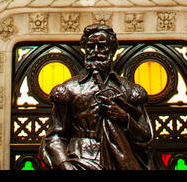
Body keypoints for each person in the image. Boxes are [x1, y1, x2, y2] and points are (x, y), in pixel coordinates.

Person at [41, 23, 153, 170]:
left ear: (112, 50)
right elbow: (55, 136)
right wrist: (64, 164)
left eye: (102, 46)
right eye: (90, 47)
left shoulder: (129, 90)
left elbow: (146, 137)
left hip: (121, 160)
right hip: (80, 160)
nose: (95, 51)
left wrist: (124, 117)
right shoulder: (69, 89)